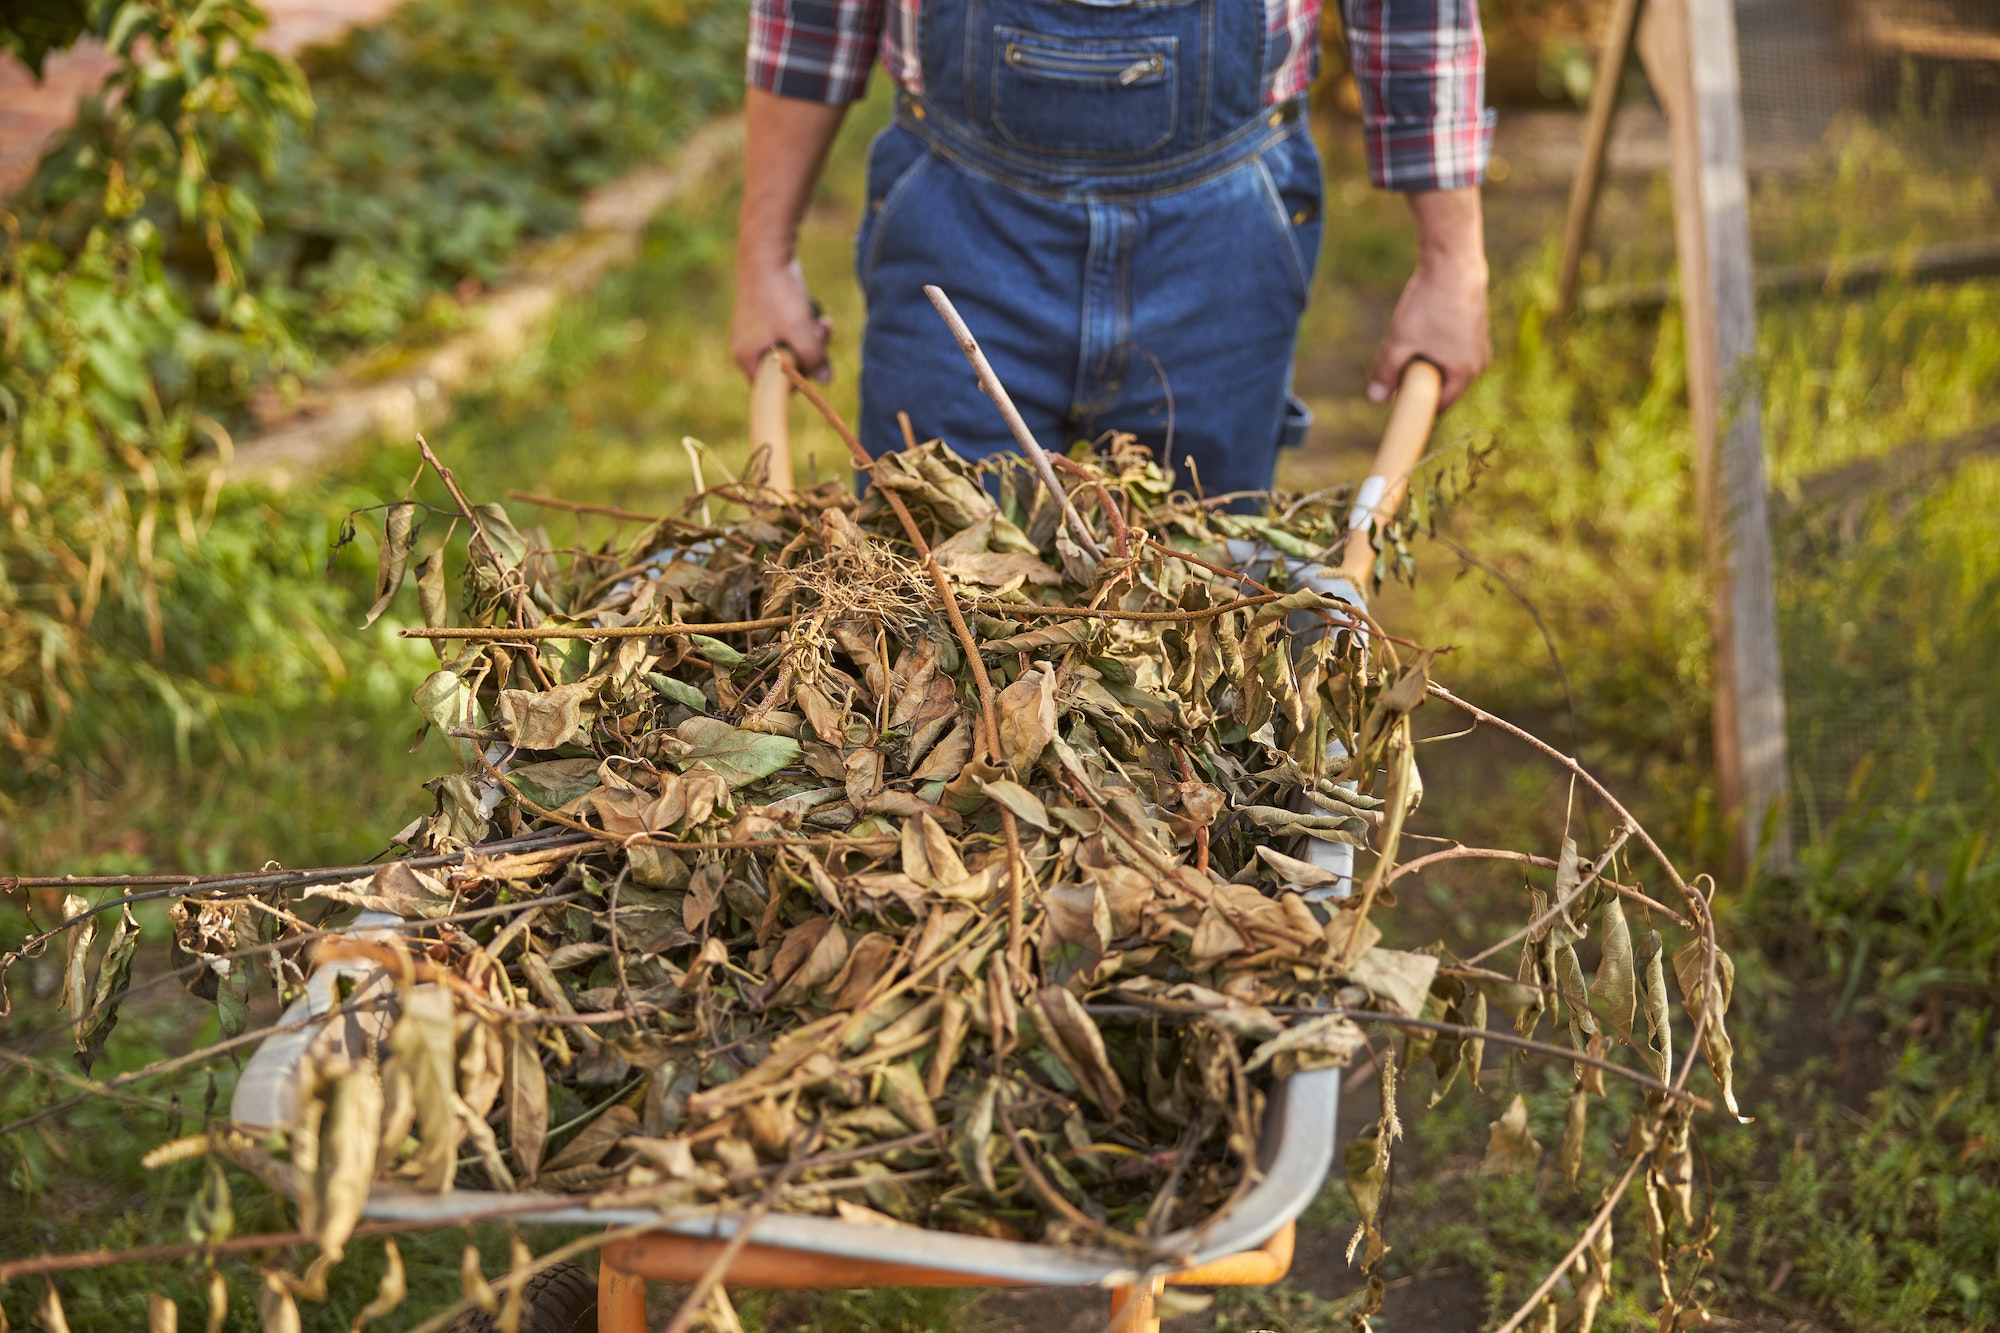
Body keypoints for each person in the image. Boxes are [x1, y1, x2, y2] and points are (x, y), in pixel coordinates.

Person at [730, 0, 1493, 498]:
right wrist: (764, 253)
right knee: (925, 627)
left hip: (1218, 234)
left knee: (1203, 626)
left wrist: (1451, 261)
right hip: (959, 224)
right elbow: (814, 16)